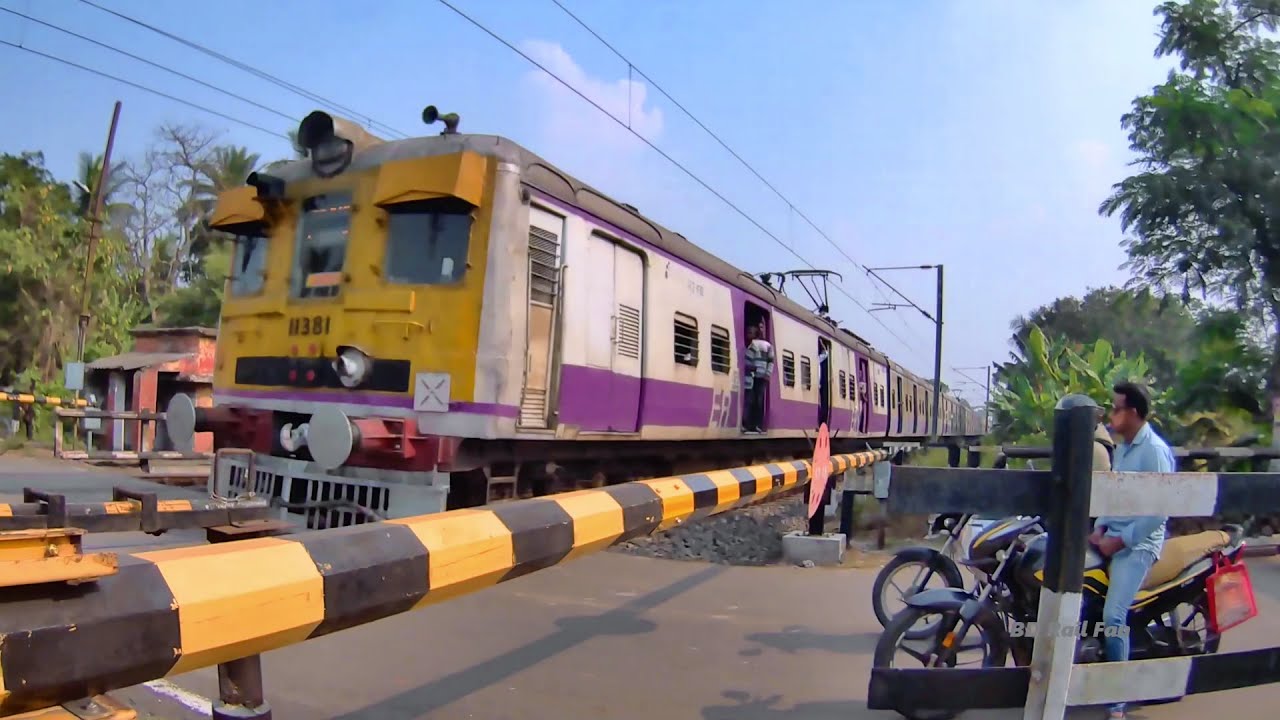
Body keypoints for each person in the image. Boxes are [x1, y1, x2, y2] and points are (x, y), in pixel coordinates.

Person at [1089, 381, 1173, 720]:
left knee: (1113, 616)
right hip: (1114, 534)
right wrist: (1100, 526)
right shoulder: (1123, 447)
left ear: (1133, 413)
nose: (1111, 415)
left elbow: (1160, 511)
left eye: (1116, 408)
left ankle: (1117, 701)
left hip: (1137, 545)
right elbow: (1116, 494)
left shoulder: (1153, 450)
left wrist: (1120, 540)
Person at [743, 323, 774, 433]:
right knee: (759, 401)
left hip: (753, 376)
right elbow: (771, 361)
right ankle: (758, 425)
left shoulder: (752, 345)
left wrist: (749, 369)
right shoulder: (768, 345)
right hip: (763, 377)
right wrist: (768, 374)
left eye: (749, 333)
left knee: (750, 400)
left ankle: (748, 424)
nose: (747, 335)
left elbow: (747, 361)